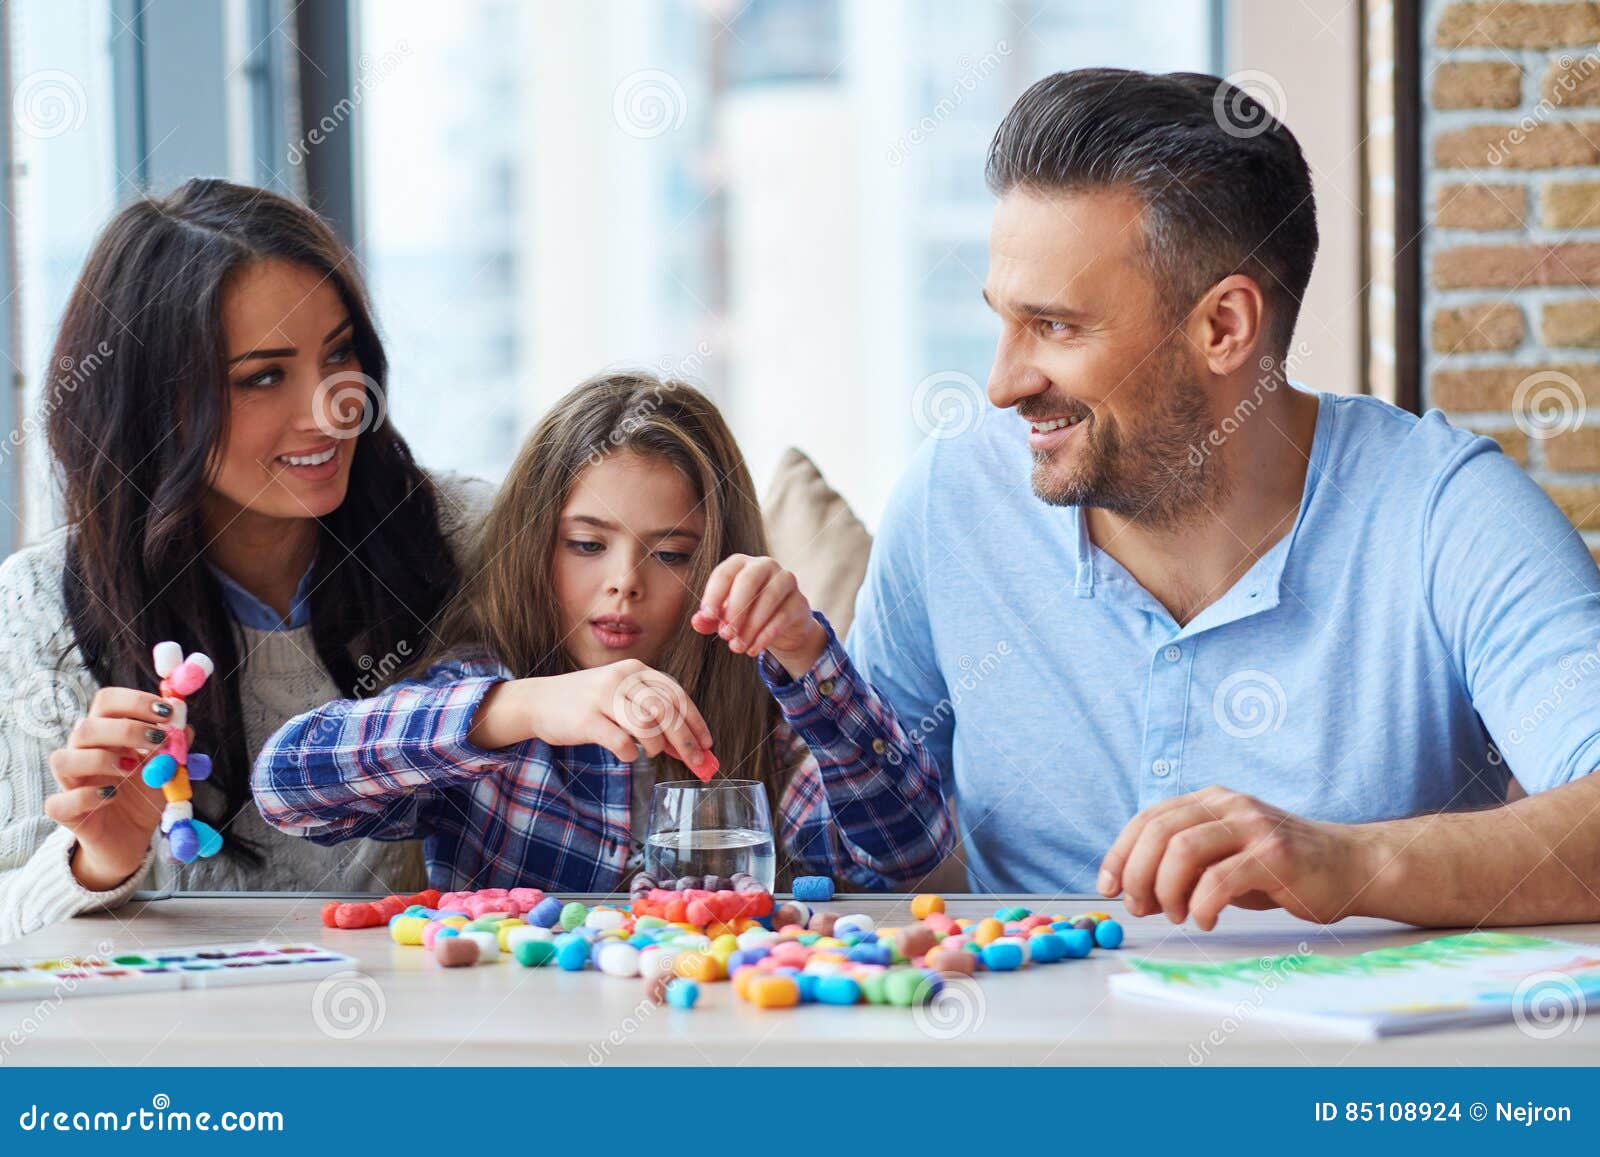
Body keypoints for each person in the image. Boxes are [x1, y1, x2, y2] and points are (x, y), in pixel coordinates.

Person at [848, 68, 1600, 928]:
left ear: (1224, 328)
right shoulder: (954, 500)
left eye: (1054, 326)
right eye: (1002, 320)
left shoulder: (1445, 515)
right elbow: (856, 822)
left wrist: (1344, 858)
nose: (1001, 384)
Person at [0, 179, 491, 943]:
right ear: (151, 402)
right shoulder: (38, 604)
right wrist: (97, 858)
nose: (331, 407)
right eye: (263, 377)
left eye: (338, 353)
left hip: (435, 1037)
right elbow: (13, 933)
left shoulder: (469, 537)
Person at [251, 373, 953, 892]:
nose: (625, 581)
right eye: (588, 544)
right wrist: (522, 707)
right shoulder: (487, 707)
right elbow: (286, 784)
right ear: (536, 546)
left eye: (672, 554)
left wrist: (807, 657)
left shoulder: (766, 719)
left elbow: (907, 849)